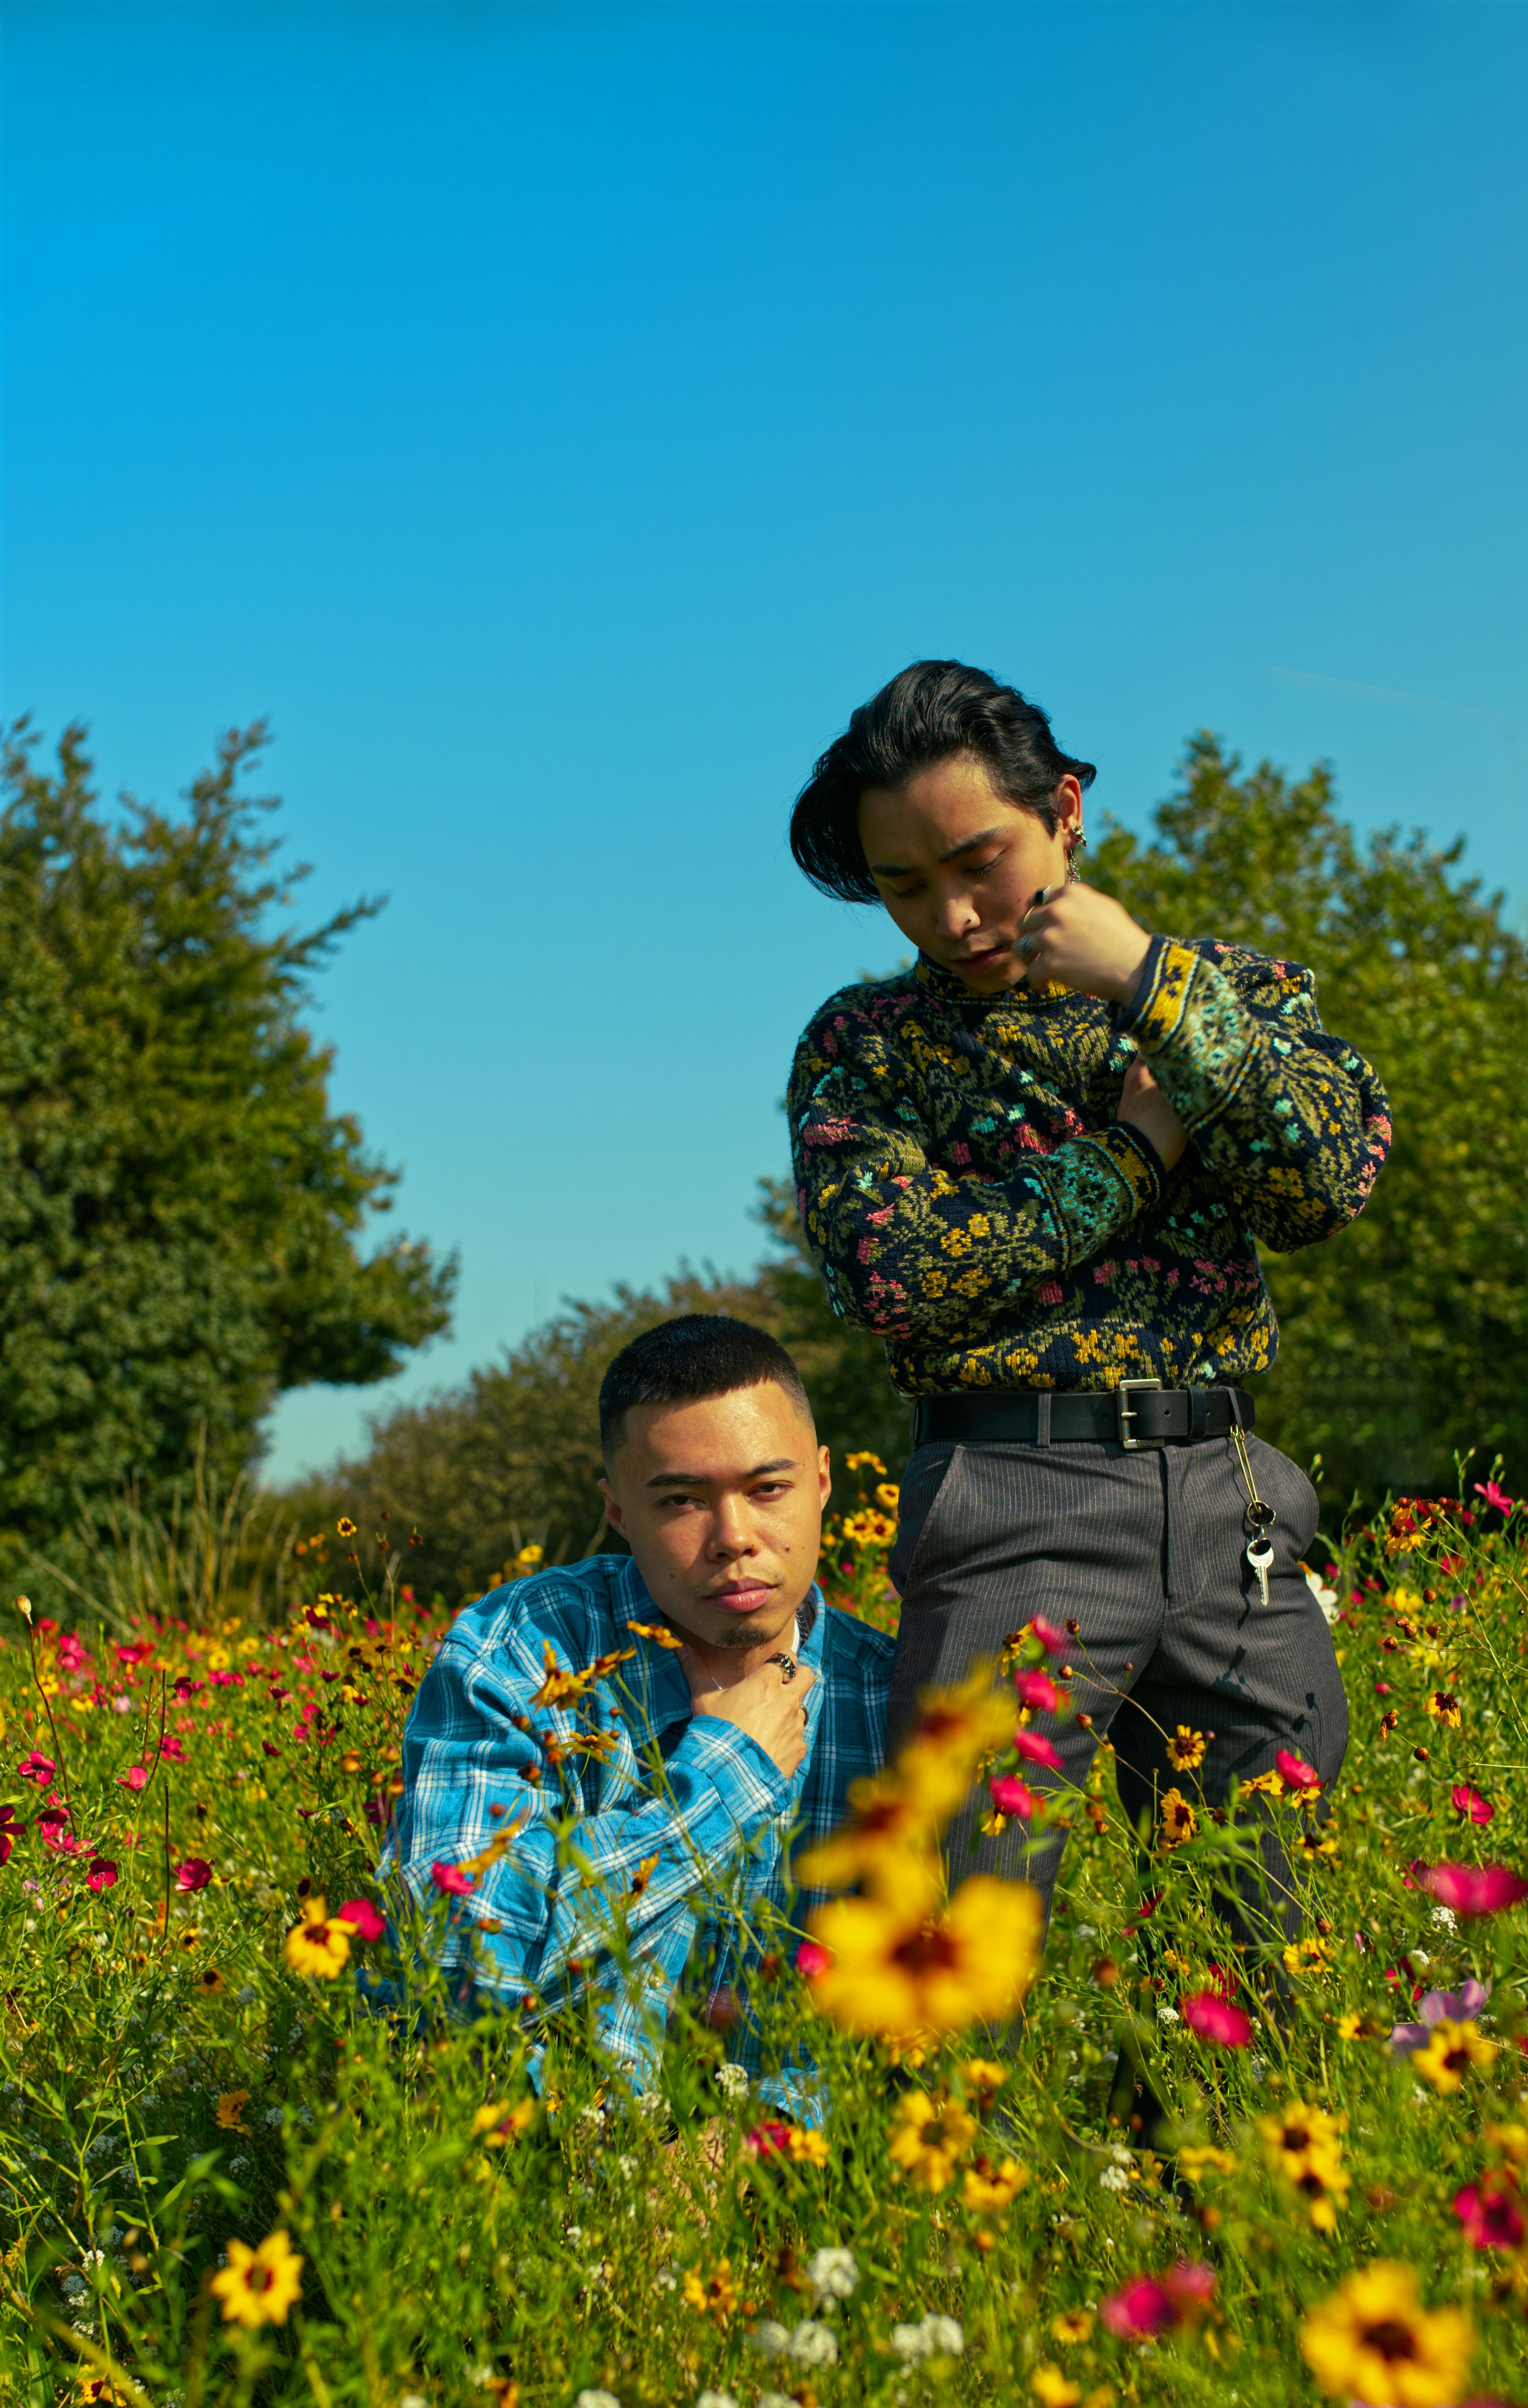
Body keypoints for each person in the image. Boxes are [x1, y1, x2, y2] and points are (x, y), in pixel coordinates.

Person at [785, 661, 1391, 1936]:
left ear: (1066, 811)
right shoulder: (868, 1043)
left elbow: (1325, 1183)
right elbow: (903, 1283)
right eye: (904, 886)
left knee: (1267, 1955)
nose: (951, 916)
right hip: (1015, 1506)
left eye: (977, 861)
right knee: (959, 1953)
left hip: (1232, 1503)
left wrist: (1154, 985)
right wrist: (1138, 1150)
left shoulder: (1231, 996)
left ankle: (1197, 2133)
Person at [375, 1316, 893, 2105]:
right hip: (544, 2180)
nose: (734, 1538)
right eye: (682, 1501)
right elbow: (459, 1980)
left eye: (768, 1490)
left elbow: (924, 2029)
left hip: (805, 2194)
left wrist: (753, 2155)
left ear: (823, 1482)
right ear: (618, 1512)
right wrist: (723, 1775)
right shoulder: (524, 1653)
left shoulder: (892, 1695)